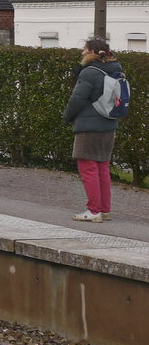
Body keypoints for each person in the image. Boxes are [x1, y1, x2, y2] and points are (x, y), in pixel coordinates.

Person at [63, 37, 123, 222]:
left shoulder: (89, 72)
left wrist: (66, 117)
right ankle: (104, 209)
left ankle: (93, 210)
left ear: (91, 53)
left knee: (88, 168)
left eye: (85, 49)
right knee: (102, 167)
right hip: (109, 124)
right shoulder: (117, 70)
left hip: (89, 126)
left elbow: (77, 99)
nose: (82, 52)